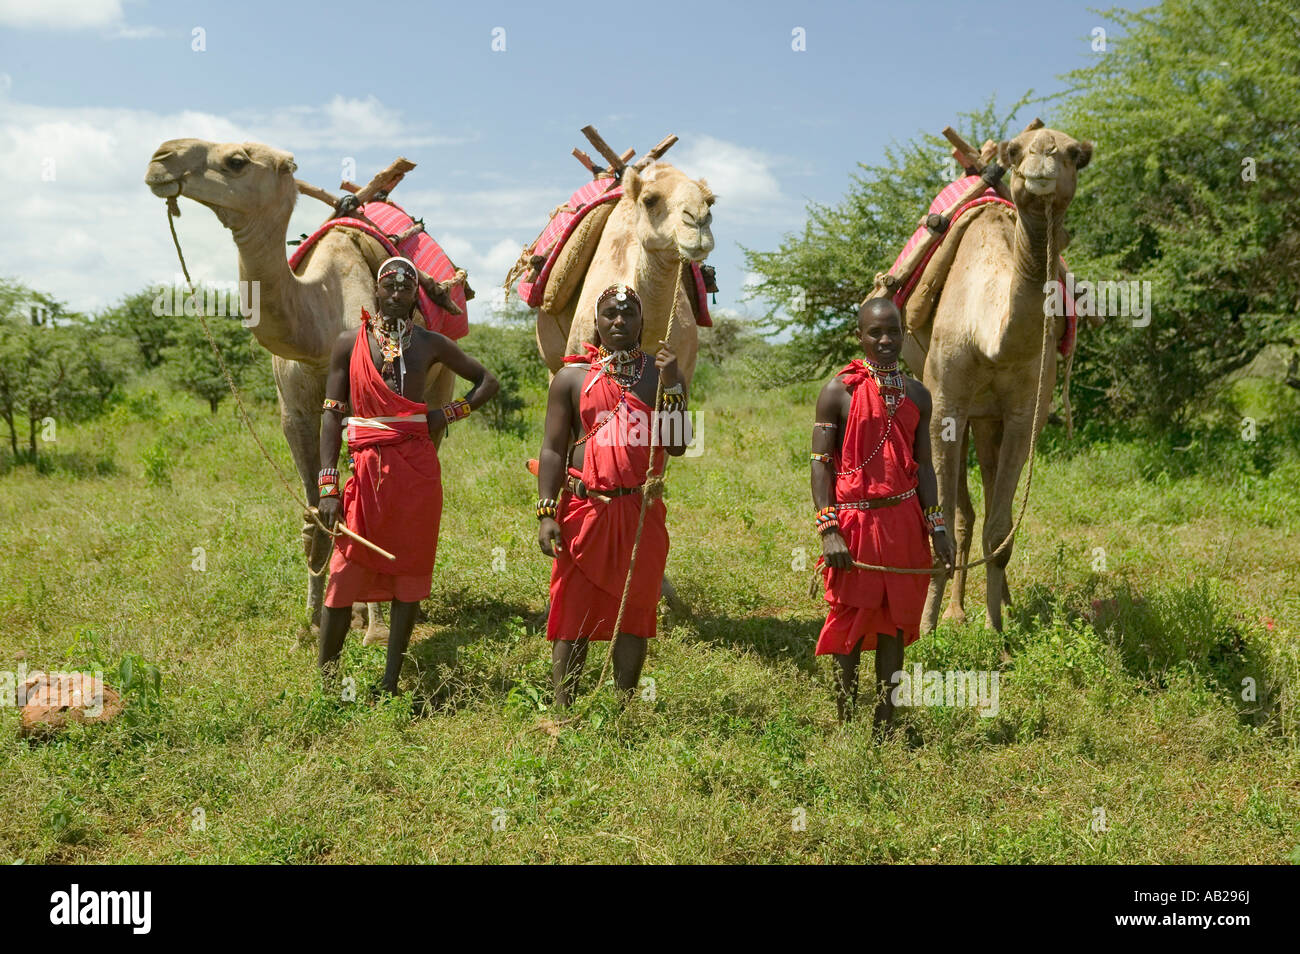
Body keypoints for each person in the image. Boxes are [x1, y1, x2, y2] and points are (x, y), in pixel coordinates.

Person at [317, 256, 499, 695]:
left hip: (416, 472)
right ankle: (325, 683)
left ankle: (391, 680)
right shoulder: (348, 343)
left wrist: (446, 414)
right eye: (389, 285)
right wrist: (328, 483)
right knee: (343, 571)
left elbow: (487, 381)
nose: (397, 292)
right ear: (376, 292)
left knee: (409, 572)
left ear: (416, 296)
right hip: (364, 469)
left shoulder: (430, 343)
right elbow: (332, 414)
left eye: (406, 287)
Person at [536, 283, 692, 707]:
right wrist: (547, 511)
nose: (619, 321)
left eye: (628, 314)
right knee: (573, 611)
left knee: (635, 611)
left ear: (643, 323)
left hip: (640, 512)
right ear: (596, 323)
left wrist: (674, 383)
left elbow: (678, 444)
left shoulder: (658, 375)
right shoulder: (572, 378)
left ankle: (622, 708)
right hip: (585, 509)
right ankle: (563, 707)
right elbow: (551, 449)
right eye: (610, 314)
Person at [812, 297, 954, 730]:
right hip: (854, 525)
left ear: (903, 332)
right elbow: (820, 464)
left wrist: (938, 526)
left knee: (895, 625)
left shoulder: (918, 394)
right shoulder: (839, 390)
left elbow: (924, 466)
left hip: (904, 522)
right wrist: (828, 529)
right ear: (860, 336)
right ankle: (845, 720)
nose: (886, 340)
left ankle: (885, 723)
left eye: (893, 330)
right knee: (849, 621)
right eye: (875, 332)